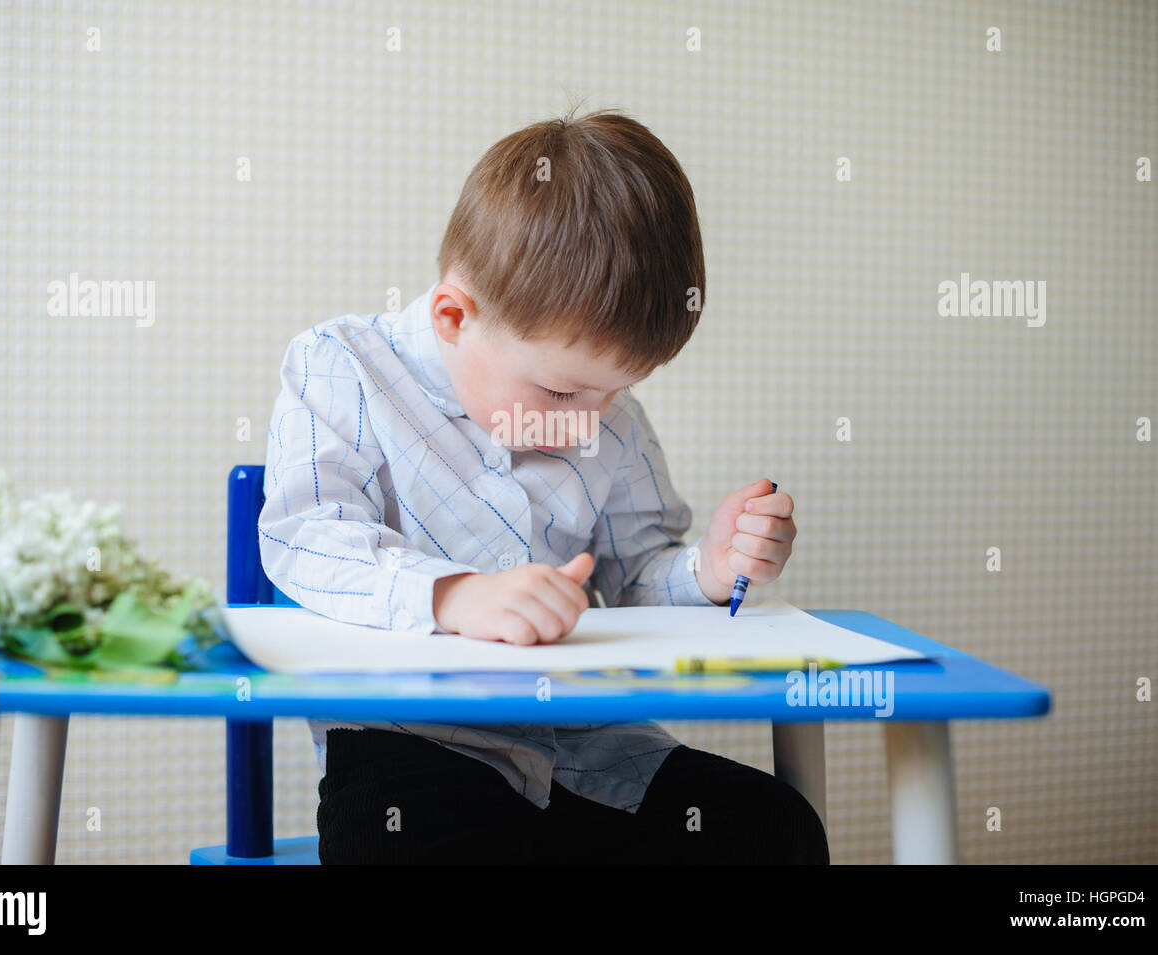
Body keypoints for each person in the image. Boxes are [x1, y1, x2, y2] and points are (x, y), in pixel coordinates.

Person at [259, 105, 827, 864]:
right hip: (413, 745)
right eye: (563, 394)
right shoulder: (342, 367)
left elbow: (635, 580)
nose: (591, 421)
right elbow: (306, 535)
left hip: (591, 745)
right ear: (456, 316)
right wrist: (454, 594)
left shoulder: (612, 421)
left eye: (615, 392)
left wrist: (708, 568)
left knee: (772, 829)